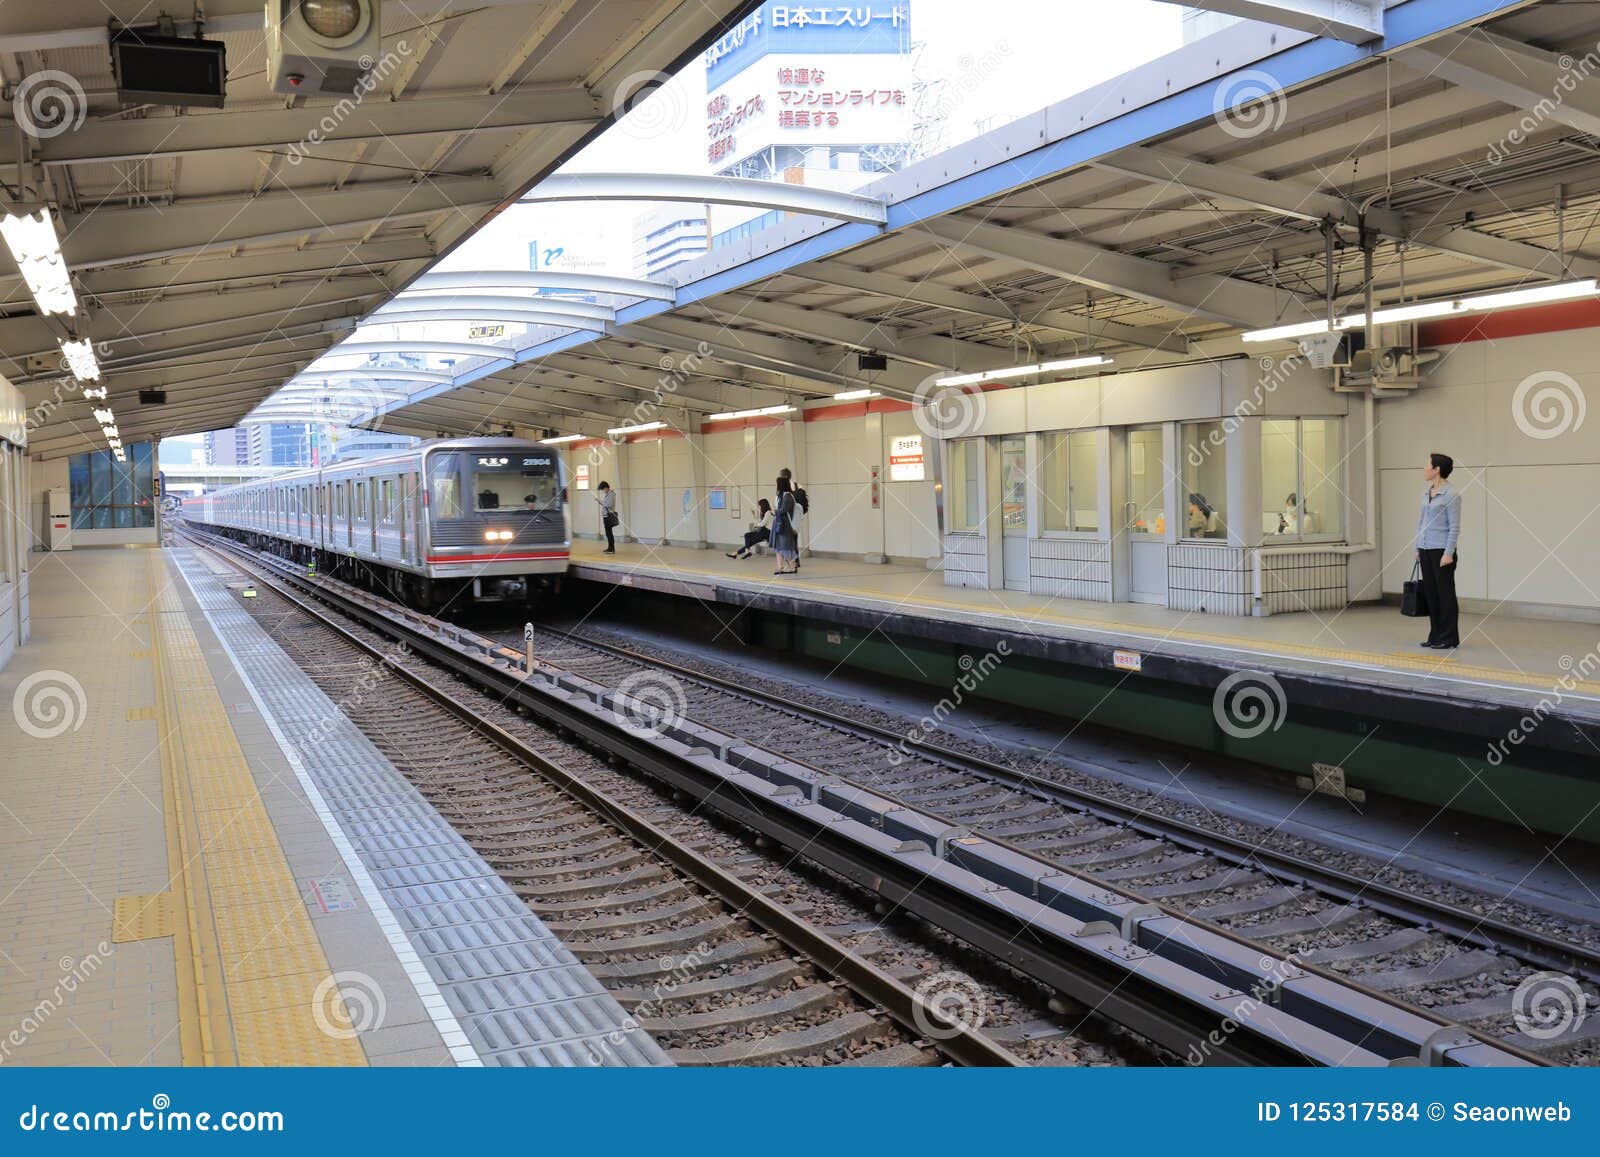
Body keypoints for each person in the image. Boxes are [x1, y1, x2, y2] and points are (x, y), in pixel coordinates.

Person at [1415, 452, 1461, 649]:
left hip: (1441, 551)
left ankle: (1449, 637)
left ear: (1437, 470)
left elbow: (1454, 527)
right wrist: (1417, 546)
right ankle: (1435, 635)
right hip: (1425, 549)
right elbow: (1421, 522)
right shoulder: (1427, 492)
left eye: (1427, 465)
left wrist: (1448, 553)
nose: (1424, 469)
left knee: (1445, 595)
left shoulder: (1451, 494)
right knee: (1431, 594)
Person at [770, 475, 799, 575]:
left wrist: (775, 511)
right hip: (780, 523)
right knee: (779, 546)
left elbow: (784, 510)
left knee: (785, 546)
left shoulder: (787, 496)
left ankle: (793, 566)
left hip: (785, 525)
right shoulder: (782, 496)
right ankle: (780, 567)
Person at [596, 480, 617, 553]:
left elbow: (609, 504)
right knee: (608, 533)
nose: (603, 491)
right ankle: (610, 548)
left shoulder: (611, 494)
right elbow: (606, 504)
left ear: (606, 488)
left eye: (603, 489)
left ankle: (611, 549)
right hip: (606, 516)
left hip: (608, 516)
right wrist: (601, 502)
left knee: (609, 533)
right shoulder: (608, 494)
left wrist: (600, 501)